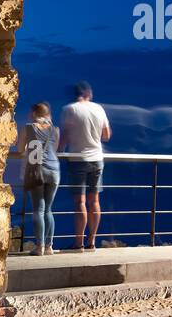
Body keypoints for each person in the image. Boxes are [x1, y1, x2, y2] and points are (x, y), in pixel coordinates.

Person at [59, 81, 111, 250]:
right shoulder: (99, 109)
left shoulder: (70, 109)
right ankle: (92, 241)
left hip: (77, 159)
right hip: (97, 159)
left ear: (76, 94)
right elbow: (106, 135)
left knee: (80, 202)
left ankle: (79, 242)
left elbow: (65, 135)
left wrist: (58, 152)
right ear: (89, 93)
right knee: (94, 201)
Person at [17, 102, 60, 255]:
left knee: (38, 210)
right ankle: (49, 247)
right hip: (54, 171)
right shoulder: (55, 130)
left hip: (36, 170)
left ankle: (39, 247)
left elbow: (21, 150)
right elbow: (54, 150)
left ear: (34, 113)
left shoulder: (28, 128)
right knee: (48, 210)